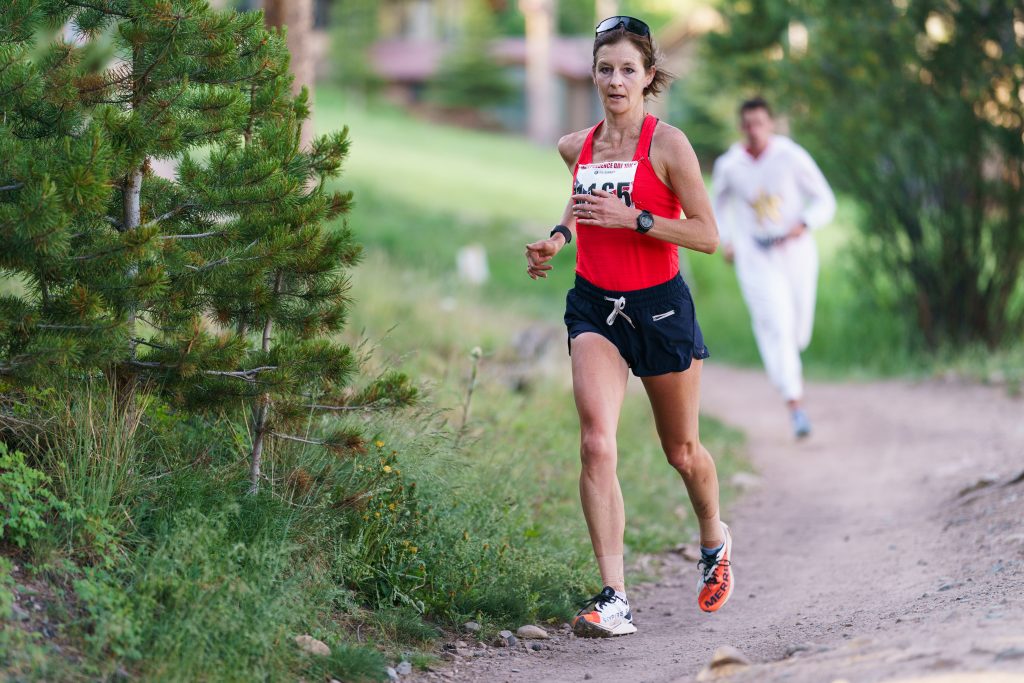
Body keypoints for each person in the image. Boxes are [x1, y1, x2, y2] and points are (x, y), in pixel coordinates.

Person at [524, 15, 733, 637]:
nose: (615, 80)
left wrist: (635, 218)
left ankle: (714, 539)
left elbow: (707, 236)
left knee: (682, 452)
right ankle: (614, 596)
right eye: (605, 69)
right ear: (592, 74)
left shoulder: (668, 145)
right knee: (595, 440)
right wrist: (559, 238)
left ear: (648, 78)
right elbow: (581, 200)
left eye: (627, 70)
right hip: (596, 308)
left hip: (660, 308)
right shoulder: (576, 147)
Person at [711, 97, 835, 438]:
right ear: (741, 127)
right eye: (748, 124)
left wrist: (805, 222)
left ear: (771, 124)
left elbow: (825, 200)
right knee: (776, 324)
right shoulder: (730, 165)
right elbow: (716, 206)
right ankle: (795, 404)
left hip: (795, 253)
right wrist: (727, 240)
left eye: (760, 123)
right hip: (755, 256)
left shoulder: (791, 157)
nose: (754, 131)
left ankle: (788, 371)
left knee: (797, 331)